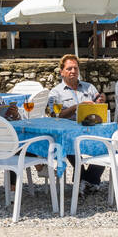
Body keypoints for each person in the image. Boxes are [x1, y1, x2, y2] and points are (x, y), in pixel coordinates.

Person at [47, 54, 109, 197]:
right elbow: (55, 116)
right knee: (68, 141)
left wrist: (101, 99)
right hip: (69, 132)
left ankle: (88, 180)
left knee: (107, 143)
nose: (73, 71)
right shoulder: (55, 93)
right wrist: (76, 107)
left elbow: (99, 101)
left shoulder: (89, 87)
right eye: (69, 68)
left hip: (92, 128)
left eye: (75, 68)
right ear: (61, 71)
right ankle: (87, 181)